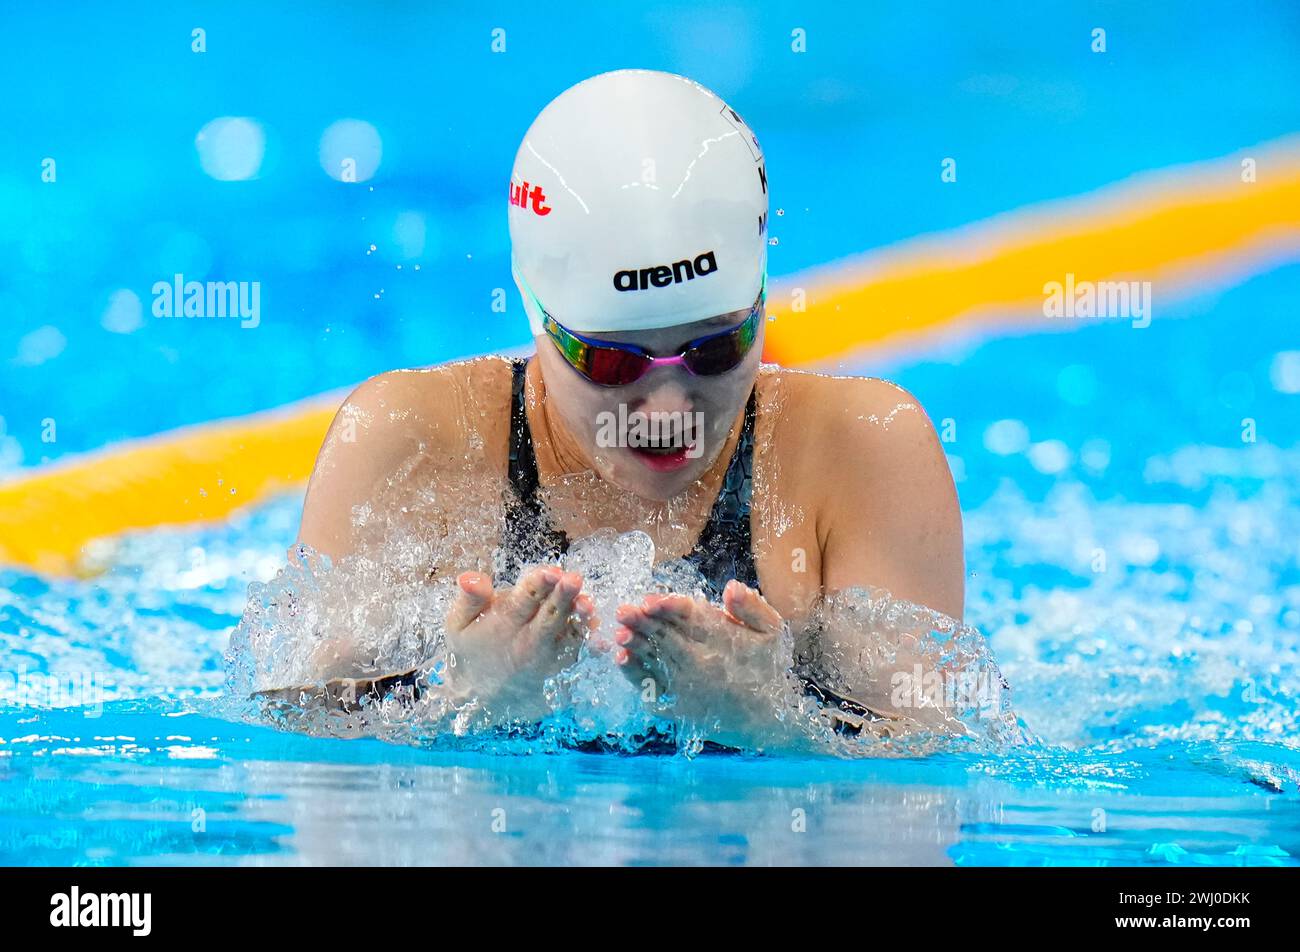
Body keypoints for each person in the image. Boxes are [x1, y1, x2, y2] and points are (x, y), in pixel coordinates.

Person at [292, 69, 964, 748]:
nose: (670, 407)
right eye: (614, 362)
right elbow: (298, 776)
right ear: (537, 315)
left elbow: (929, 794)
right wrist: (464, 706)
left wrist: (773, 723)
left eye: (716, 347)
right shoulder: (407, 442)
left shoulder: (862, 450)